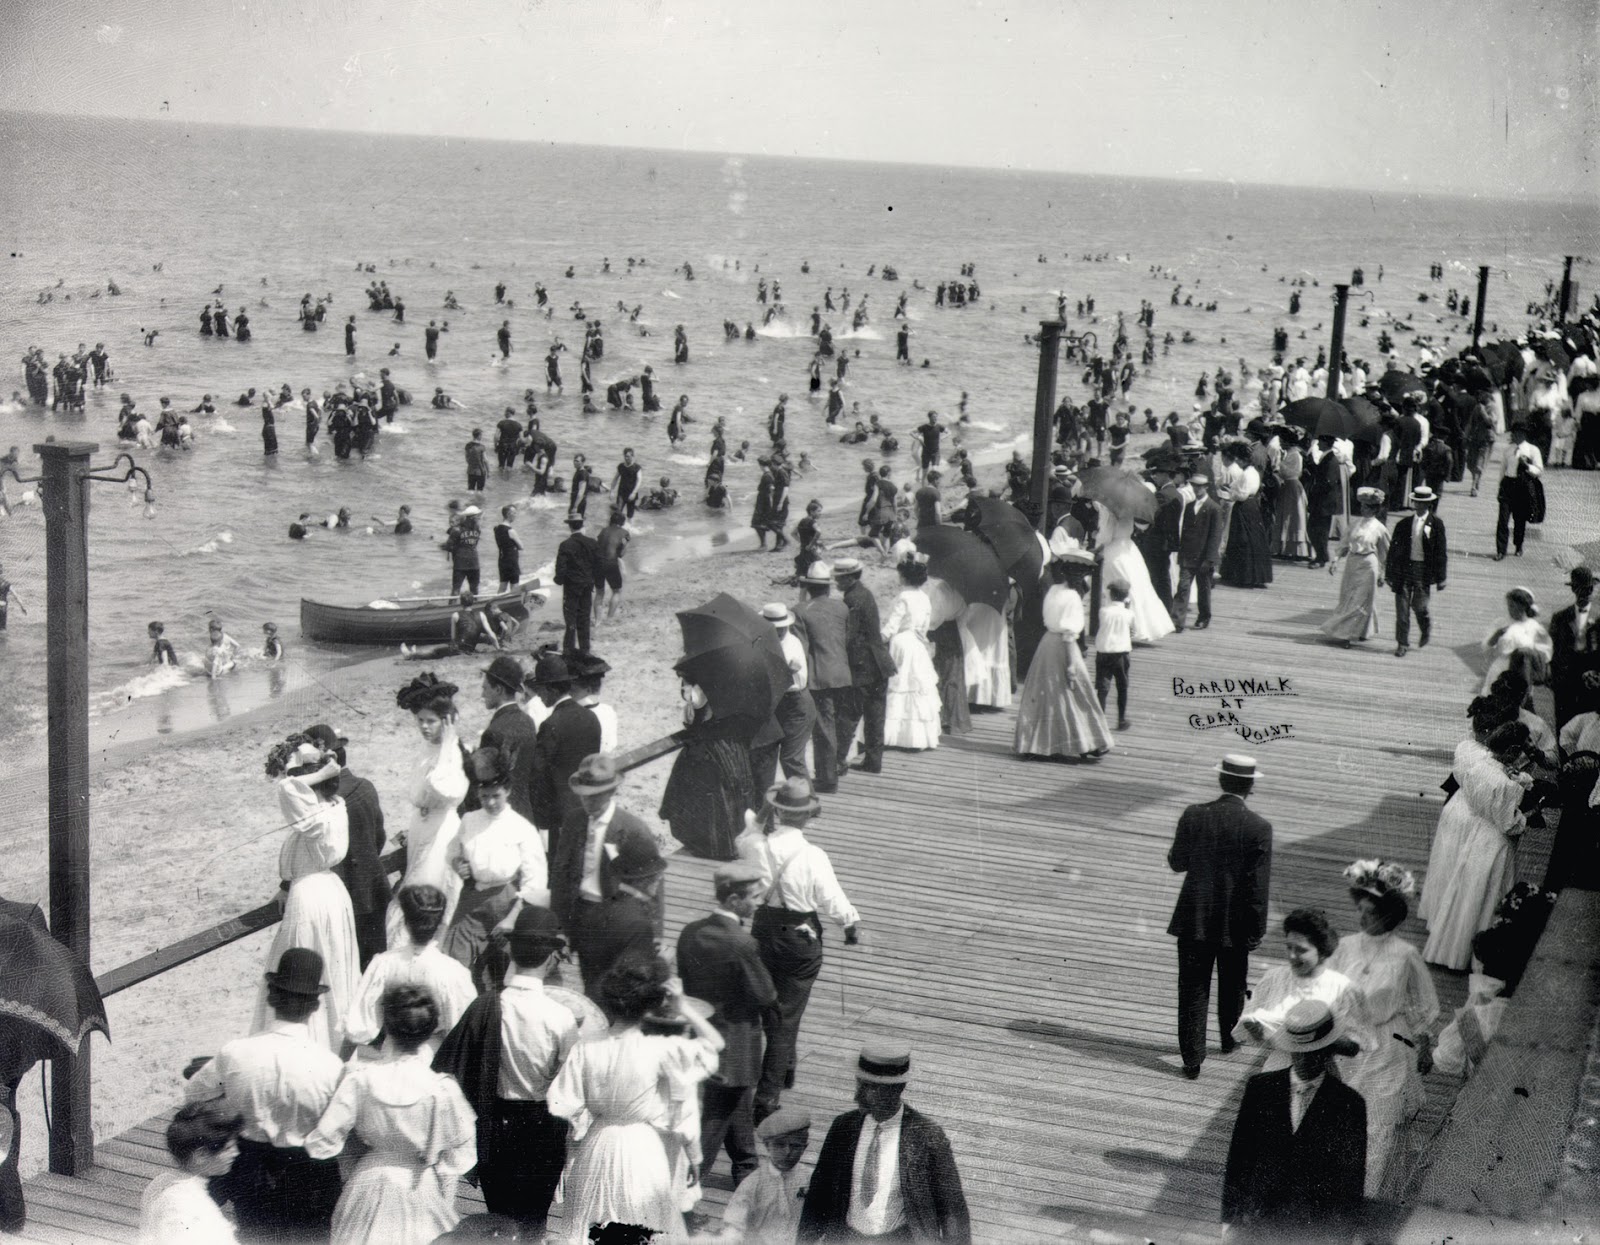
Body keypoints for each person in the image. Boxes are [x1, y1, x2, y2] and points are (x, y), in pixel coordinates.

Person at [547, 954, 722, 1242]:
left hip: (597, 1144)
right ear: (652, 1004)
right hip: (642, 1149)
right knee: (641, 1226)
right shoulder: (660, 1049)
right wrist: (682, 1007)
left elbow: (564, 1108)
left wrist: (569, 1160)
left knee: (591, 1228)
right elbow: (714, 1044)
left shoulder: (585, 1048)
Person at [433, 905, 577, 1235]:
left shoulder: (485, 1004)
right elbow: (570, 1085)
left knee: (497, 1219)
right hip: (543, 1130)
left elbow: (450, 1065)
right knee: (533, 1222)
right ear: (552, 957)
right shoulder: (561, 1018)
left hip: (493, 1129)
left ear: (512, 949)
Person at [187, 947, 345, 1241]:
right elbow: (340, 1126)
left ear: (271, 997)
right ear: (314, 1006)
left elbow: (194, 1094)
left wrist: (233, 1104)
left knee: (252, 1233)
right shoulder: (330, 1066)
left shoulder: (235, 1053)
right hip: (308, 1171)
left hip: (249, 1166)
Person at [305, 985, 477, 1245]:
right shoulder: (441, 1088)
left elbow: (324, 1140)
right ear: (429, 1033)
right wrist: (435, 1160)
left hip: (367, 1178)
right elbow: (462, 1152)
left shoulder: (360, 1079)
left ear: (386, 1027)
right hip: (419, 1180)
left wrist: (355, 1156)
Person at [737, 777, 862, 1121]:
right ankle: (768, 1094)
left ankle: (784, 1068)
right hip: (800, 934)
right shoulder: (813, 855)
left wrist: (766, 809)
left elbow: (743, 838)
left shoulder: (756, 846)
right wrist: (850, 925)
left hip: (763, 930)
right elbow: (831, 898)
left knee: (769, 1008)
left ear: (778, 810)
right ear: (808, 816)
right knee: (786, 1016)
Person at [1327, 860, 1439, 1197]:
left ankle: (1367, 1195)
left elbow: (1424, 1003)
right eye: (1360, 910)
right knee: (1338, 1123)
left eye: (1371, 913)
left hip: (1387, 1048)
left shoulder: (1405, 955)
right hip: (1346, 1045)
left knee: (1377, 1127)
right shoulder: (1344, 947)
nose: (1363, 918)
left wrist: (1424, 1042)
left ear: (1389, 916)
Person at [1220, 1000, 1368, 1243]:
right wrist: (1230, 1217)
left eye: (1313, 1051)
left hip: (1312, 1227)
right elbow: (1239, 1156)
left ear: (1327, 1051)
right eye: (1297, 1050)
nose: (1304, 1059)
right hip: (1257, 1220)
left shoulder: (1348, 1105)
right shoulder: (1261, 1089)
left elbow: (1351, 1180)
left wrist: (1342, 1237)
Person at [797, 1044, 971, 1244]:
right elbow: (818, 1196)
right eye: (859, 1083)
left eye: (870, 1087)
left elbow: (952, 1210)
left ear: (896, 1088)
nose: (857, 1096)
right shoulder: (843, 1128)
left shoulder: (927, 1135)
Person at [1167, 754, 1273, 1079]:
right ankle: (1229, 1038)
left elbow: (1177, 862)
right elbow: (1258, 888)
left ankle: (1192, 1058)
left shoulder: (1194, 814)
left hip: (1194, 918)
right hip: (1236, 923)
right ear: (1251, 786)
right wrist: (1256, 931)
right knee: (1233, 982)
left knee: (1193, 988)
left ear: (1220, 781)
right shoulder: (1259, 827)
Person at [252, 738, 361, 1054]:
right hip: (327, 892)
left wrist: (317, 769)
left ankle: (304, 1042)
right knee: (328, 964)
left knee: (300, 966)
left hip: (310, 899)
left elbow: (287, 788)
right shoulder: (333, 808)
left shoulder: (315, 819)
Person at [677, 861, 779, 1189]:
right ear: (734, 900)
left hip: (701, 1031)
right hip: (737, 1040)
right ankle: (686, 1188)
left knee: (735, 1102)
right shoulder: (742, 943)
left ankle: (746, 1169)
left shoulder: (691, 932)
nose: (758, 903)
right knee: (718, 1114)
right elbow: (765, 995)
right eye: (753, 897)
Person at [1420, 720, 1534, 969]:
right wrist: (1528, 816)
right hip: (1496, 842)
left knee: (1466, 890)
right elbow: (1509, 824)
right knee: (1489, 891)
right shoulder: (1504, 783)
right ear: (1511, 750)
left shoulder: (1480, 766)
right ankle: (1478, 957)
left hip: (1477, 833)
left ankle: (1452, 949)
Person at [443, 745, 548, 968]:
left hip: (510, 902)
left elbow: (535, 880)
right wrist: (457, 863)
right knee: (454, 958)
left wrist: (512, 918)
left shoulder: (521, 827)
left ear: (508, 791)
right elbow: (452, 851)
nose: (490, 803)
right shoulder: (470, 820)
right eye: (484, 796)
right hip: (474, 901)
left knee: (508, 964)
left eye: (496, 796)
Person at [1231, 909, 1373, 1073]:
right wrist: (1260, 1027)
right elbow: (1252, 1029)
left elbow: (1358, 1044)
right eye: (1289, 947)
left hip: (1325, 1072)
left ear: (1321, 951)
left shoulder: (1344, 989)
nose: (1292, 955)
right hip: (1279, 1069)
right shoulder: (1273, 979)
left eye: (1301, 950)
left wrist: (1319, 1035)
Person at [387, 674, 470, 943]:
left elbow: (443, 788)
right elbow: (418, 790)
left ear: (445, 721)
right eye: (420, 720)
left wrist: (448, 743)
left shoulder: (454, 752)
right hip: (421, 827)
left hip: (441, 831)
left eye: (431, 721)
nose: (424, 726)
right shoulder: (426, 750)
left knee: (426, 887)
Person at [346, 885, 475, 1058]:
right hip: (434, 1059)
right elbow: (462, 1031)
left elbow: (358, 1025)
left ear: (405, 923)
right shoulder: (454, 973)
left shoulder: (383, 964)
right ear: (438, 926)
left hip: (392, 1053)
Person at [303, 723, 392, 970]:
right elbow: (379, 836)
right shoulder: (365, 787)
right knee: (375, 965)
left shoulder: (317, 801)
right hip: (373, 889)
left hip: (339, 896)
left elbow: (309, 852)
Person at [1014, 545, 1113, 759]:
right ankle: (1083, 741)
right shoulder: (1073, 598)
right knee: (1074, 692)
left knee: (1045, 695)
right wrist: (1070, 664)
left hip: (1046, 644)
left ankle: (1037, 742)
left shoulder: (1053, 590)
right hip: (1063, 646)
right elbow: (1070, 633)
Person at [661, 675, 760, 861]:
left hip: (709, 746)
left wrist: (689, 689)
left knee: (705, 793)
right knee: (732, 789)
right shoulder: (733, 679)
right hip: (730, 745)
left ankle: (714, 845)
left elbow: (694, 710)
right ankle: (734, 841)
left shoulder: (700, 688)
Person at [138, 1101, 243, 1245]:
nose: (236, 1153)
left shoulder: (160, 1183)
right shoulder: (189, 1207)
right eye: (228, 1148)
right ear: (201, 1155)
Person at [834, 558, 894, 775]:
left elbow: (849, 635)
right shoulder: (864, 593)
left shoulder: (852, 598)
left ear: (850, 577)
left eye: (839, 578)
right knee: (876, 715)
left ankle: (838, 762)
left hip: (862, 667)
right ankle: (874, 760)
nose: (836, 581)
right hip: (880, 664)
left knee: (849, 715)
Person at [719, 1107, 812, 1243]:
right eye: (780, 1145)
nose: (787, 1152)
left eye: (795, 1146)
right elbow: (734, 1223)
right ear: (767, 1146)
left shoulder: (811, 1178)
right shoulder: (754, 1182)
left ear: (805, 1147)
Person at [880, 554, 942, 752]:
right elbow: (925, 626)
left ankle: (893, 736)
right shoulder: (924, 597)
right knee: (915, 686)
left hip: (901, 642)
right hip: (916, 643)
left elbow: (891, 626)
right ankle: (916, 737)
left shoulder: (903, 597)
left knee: (899, 685)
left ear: (904, 577)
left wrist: (877, 638)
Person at [1094, 501, 1176, 642]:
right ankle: (1138, 626)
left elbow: (1106, 537)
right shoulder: (1129, 508)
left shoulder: (1111, 509)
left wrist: (1096, 542)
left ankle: (1121, 626)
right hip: (1129, 549)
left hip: (1115, 551)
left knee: (1114, 586)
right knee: (1138, 586)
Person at [1320, 487, 1391, 647]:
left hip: (1368, 565)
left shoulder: (1380, 528)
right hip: (1352, 564)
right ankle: (1361, 631)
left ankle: (1347, 635)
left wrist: (1382, 573)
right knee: (1349, 598)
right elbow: (1344, 543)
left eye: (1366, 507)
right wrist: (1335, 560)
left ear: (1374, 509)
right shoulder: (1355, 524)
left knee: (1361, 600)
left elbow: (1385, 552)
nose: (1362, 509)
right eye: (1362, 506)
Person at [1384, 485, 1447, 658]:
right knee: (1402, 610)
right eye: (1416, 502)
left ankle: (1425, 626)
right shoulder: (1403, 524)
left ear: (1429, 505)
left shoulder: (1436, 524)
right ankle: (1402, 643)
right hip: (1404, 569)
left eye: (1422, 503)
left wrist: (1441, 578)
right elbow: (1393, 551)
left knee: (1419, 606)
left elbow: (1441, 553)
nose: (1418, 506)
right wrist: (1389, 574)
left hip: (1423, 570)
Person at [1171, 472, 1224, 631]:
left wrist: (1210, 559)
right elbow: (1185, 532)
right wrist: (1181, 554)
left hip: (1203, 557)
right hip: (1188, 555)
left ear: (1206, 487)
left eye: (1200, 486)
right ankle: (1177, 621)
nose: (1196, 489)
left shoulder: (1214, 508)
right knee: (1183, 587)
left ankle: (1204, 617)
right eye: (1194, 485)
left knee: (1204, 589)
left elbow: (1215, 536)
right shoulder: (1189, 506)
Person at [1551, 566, 1599, 728]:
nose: (1586, 594)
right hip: (1566, 676)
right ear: (1573, 589)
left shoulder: (1598, 618)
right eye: (1581, 589)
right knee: (1564, 722)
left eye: (1589, 589)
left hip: (1592, 676)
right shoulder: (1560, 618)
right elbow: (1553, 651)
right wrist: (1556, 679)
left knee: (1589, 724)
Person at [1481, 587, 1553, 694]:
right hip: (1500, 668)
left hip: (1521, 670)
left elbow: (1545, 652)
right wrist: (1497, 635)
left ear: (1523, 607)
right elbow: (1487, 648)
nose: (1510, 609)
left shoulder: (1534, 627)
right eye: (1509, 606)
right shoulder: (1502, 623)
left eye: (1513, 606)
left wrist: (1528, 654)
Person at [554, 510, 603, 654]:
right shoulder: (592, 543)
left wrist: (558, 580)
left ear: (570, 527)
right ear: (582, 525)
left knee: (570, 619)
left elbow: (560, 568)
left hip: (571, 586)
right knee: (585, 617)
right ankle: (585, 649)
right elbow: (599, 565)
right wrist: (597, 582)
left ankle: (569, 649)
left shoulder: (565, 545)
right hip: (587, 585)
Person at [1494, 422, 1543, 560]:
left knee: (1519, 519)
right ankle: (1501, 550)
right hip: (1508, 484)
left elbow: (1539, 471)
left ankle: (1518, 545)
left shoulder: (1533, 450)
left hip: (1523, 486)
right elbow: (1502, 469)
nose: (1513, 436)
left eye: (1516, 433)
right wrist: (1500, 486)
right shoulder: (1508, 450)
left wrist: (1527, 466)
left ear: (1523, 434)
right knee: (1503, 519)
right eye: (1512, 433)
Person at [1094, 579, 1134, 730]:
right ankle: (1121, 719)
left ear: (1111, 594)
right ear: (1126, 596)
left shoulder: (1103, 611)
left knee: (1103, 689)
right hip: (1121, 654)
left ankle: (1100, 720)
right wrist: (1127, 606)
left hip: (1104, 652)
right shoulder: (1128, 614)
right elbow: (1132, 629)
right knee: (1122, 687)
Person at [595, 507, 630, 623]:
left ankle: (597, 621)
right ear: (623, 522)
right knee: (617, 591)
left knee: (599, 592)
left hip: (597, 562)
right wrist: (626, 546)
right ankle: (609, 618)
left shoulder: (603, 530)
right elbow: (620, 554)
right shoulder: (624, 533)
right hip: (611, 563)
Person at [492, 505, 523, 593]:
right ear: (509, 514)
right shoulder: (510, 530)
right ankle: (512, 604)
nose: (515, 515)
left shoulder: (497, 529)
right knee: (514, 585)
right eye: (514, 513)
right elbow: (521, 546)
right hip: (512, 560)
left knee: (503, 585)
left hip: (502, 559)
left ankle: (495, 603)